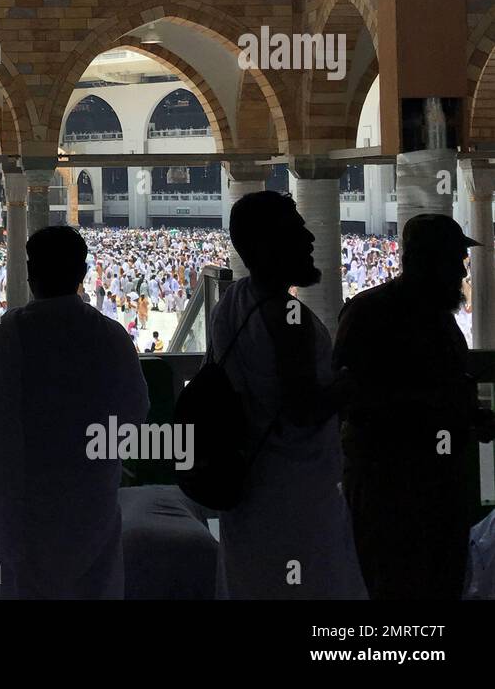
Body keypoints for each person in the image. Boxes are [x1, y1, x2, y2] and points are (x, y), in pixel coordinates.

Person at [0, 225, 149, 599]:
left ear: (31, 273)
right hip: (90, 501)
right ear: (82, 273)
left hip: (27, 507)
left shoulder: (10, 336)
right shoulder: (109, 335)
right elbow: (134, 409)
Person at [210, 191, 365, 599]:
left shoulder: (232, 301)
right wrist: (349, 385)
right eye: (296, 231)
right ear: (267, 246)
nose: (310, 239)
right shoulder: (286, 317)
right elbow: (302, 408)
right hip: (296, 498)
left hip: (249, 488)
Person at [335, 214, 495, 600]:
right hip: (391, 488)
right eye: (454, 259)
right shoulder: (371, 314)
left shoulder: (437, 317)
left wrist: (468, 416)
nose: (461, 270)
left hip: (438, 484)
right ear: (427, 261)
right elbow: (356, 400)